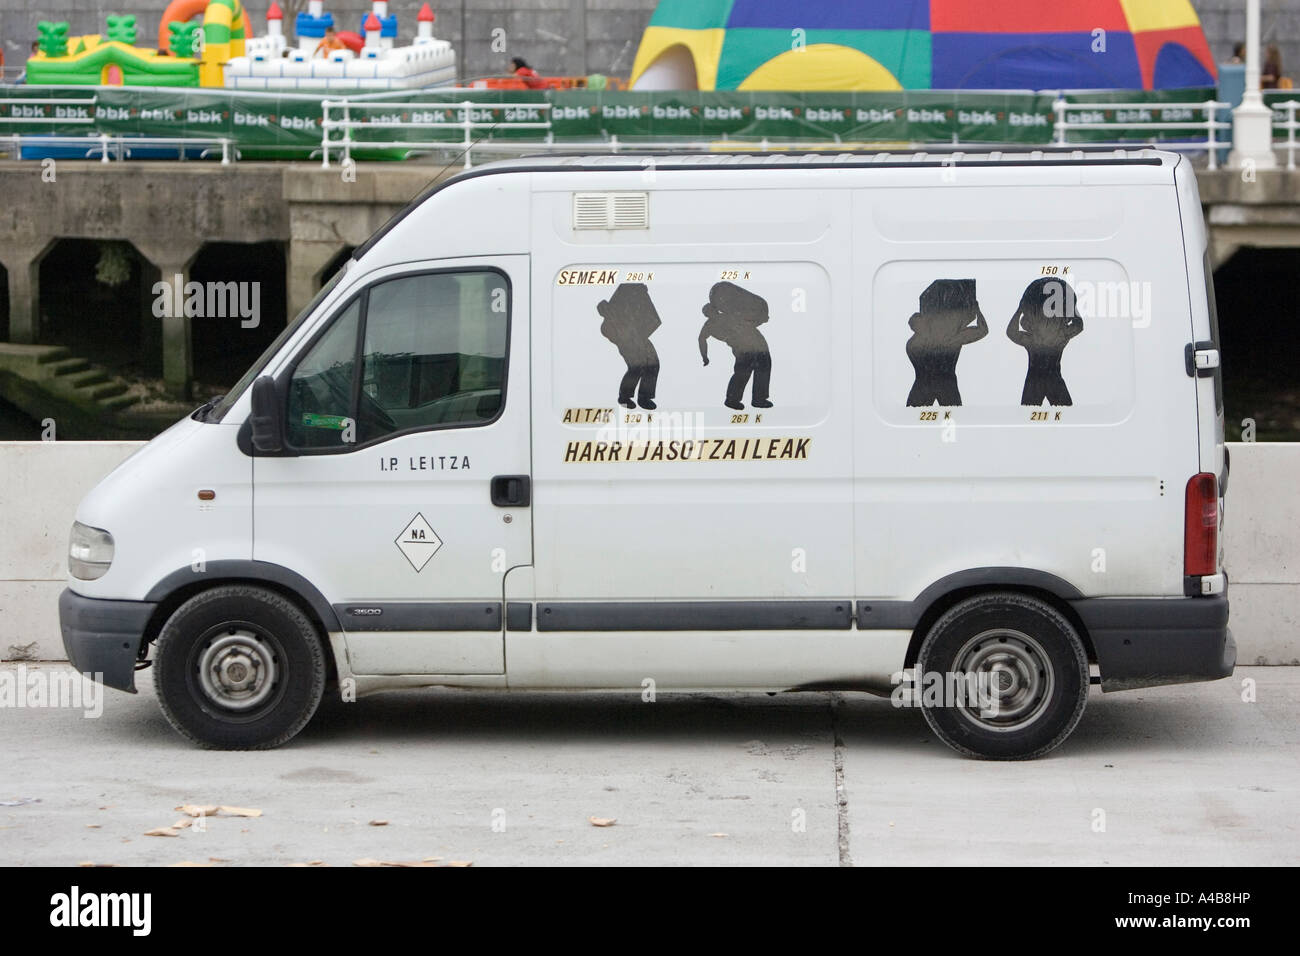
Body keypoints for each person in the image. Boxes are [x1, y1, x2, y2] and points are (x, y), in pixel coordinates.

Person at [905, 279, 987, 407]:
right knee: (913, 419)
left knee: (954, 420)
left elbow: (982, 330)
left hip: (940, 386)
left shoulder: (914, 344)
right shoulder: (913, 344)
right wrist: (975, 310)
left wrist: (976, 310)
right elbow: (982, 330)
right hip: (932, 387)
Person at [1006, 277, 1084, 407]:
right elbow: (1079, 325)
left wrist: (1020, 308)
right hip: (1054, 382)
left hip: (1034, 383)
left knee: (1028, 418)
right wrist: (1072, 308)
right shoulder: (1060, 336)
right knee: (1065, 417)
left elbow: (1011, 332)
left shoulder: (1032, 340)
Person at [698, 281, 773, 410]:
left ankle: (759, 399)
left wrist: (761, 317)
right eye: (707, 312)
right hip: (743, 348)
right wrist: (705, 356)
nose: (710, 313)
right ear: (707, 315)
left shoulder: (728, 315)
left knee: (763, 368)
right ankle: (733, 399)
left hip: (757, 342)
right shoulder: (710, 325)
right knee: (743, 372)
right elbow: (701, 340)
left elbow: (751, 320)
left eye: (711, 309)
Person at [598, 283, 661, 410]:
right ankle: (624, 397)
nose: (607, 310)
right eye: (604, 310)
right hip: (628, 345)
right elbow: (616, 337)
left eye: (607, 307)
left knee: (653, 364)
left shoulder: (621, 310)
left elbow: (639, 312)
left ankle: (644, 397)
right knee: (636, 367)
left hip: (640, 338)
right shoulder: (606, 326)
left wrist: (639, 292)